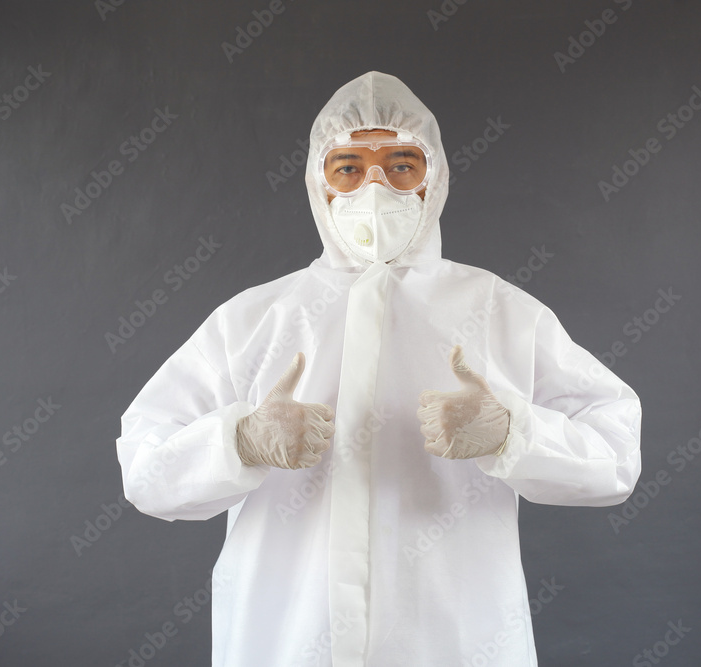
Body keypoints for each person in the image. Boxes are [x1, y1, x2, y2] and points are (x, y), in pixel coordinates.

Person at [117, 71, 642, 666]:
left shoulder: (499, 312)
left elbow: (617, 453)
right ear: (319, 183)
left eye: (401, 165)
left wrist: (513, 431)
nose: (375, 186)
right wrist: (240, 441)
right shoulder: (252, 320)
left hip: (454, 644)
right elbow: (144, 467)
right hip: (287, 645)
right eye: (348, 166)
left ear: (433, 178)